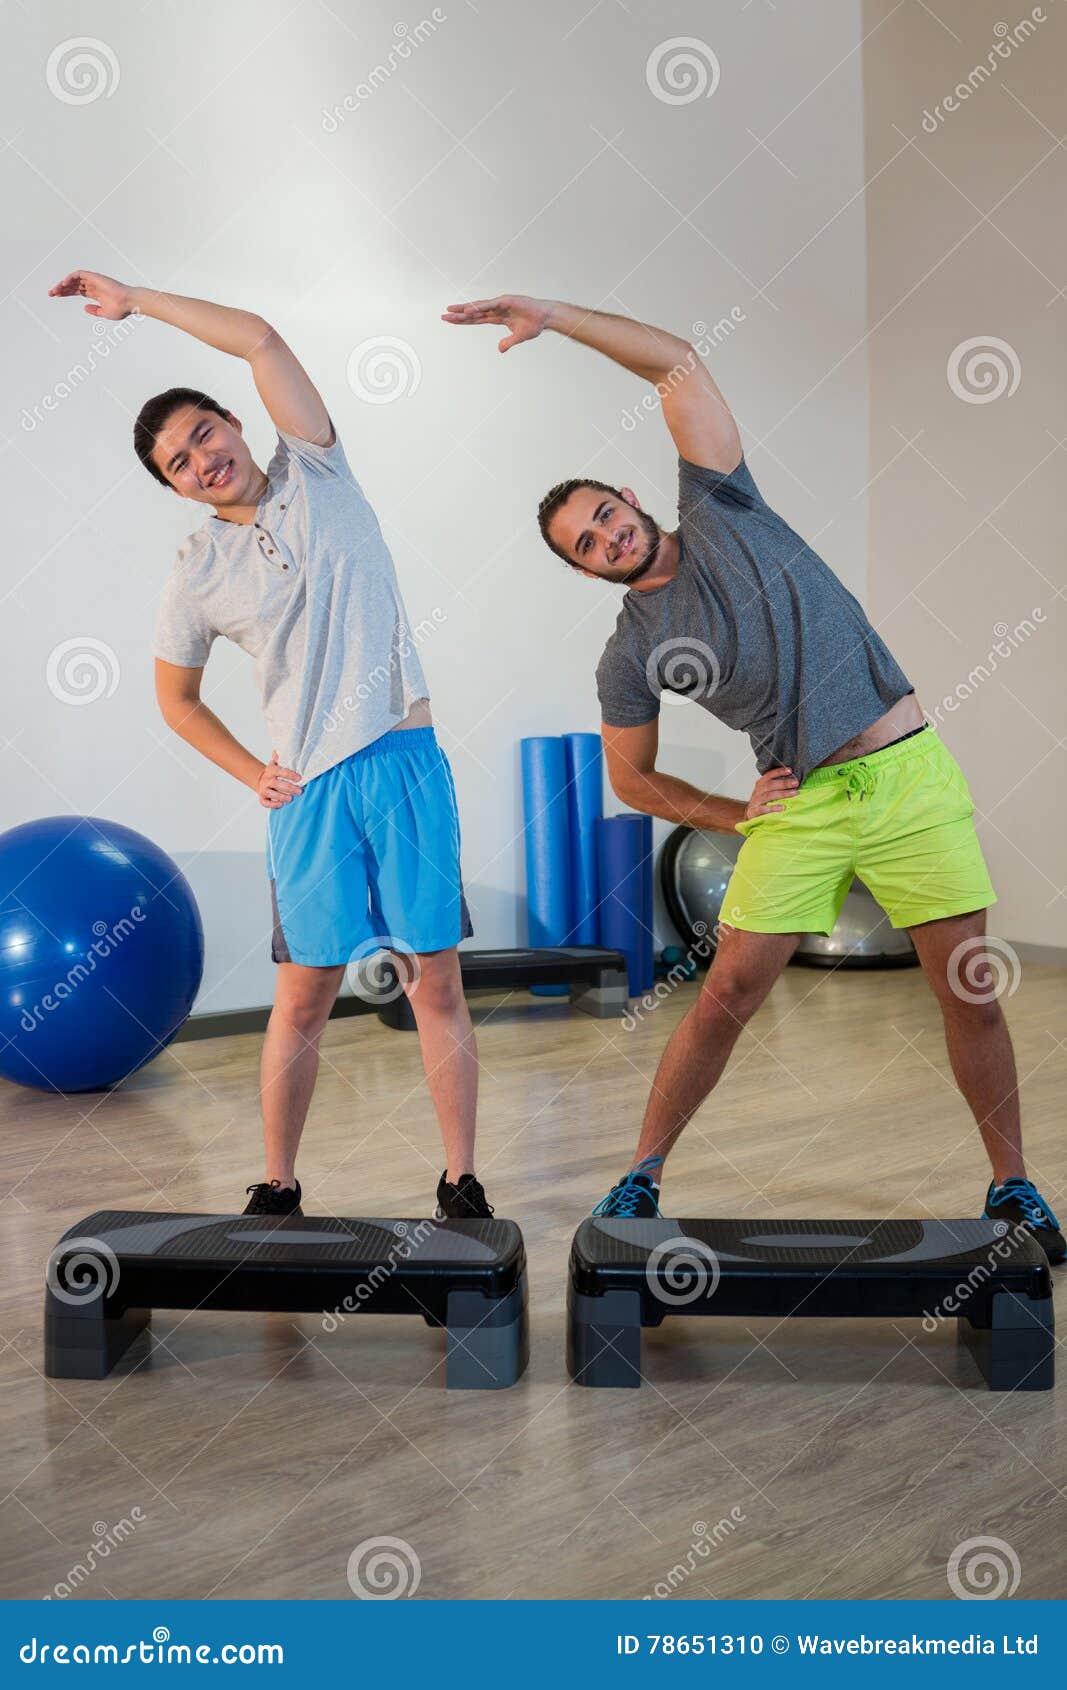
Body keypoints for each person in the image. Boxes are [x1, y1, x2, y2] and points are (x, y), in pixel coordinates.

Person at [444, 292, 1063, 1262]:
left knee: (966, 987)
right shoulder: (626, 653)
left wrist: (556, 317)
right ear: (583, 568)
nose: (606, 536)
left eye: (603, 513)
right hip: (801, 802)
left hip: (904, 773)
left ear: (629, 497)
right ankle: (641, 1173)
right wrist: (737, 813)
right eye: (585, 544)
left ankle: (1012, 1184)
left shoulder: (720, 502)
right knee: (727, 993)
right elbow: (632, 781)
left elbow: (676, 361)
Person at [50, 270, 493, 1222]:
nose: (200, 458)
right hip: (310, 798)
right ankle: (279, 1184)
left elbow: (257, 336)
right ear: (174, 488)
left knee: (434, 985)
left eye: (204, 431)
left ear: (236, 425)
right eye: (178, 462)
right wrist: (257, 773)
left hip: (405, 763)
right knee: (301, 1002)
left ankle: (459, 1178)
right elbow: (177, 699)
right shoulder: (197, 570)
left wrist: (133, 300)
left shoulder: (319, 469)